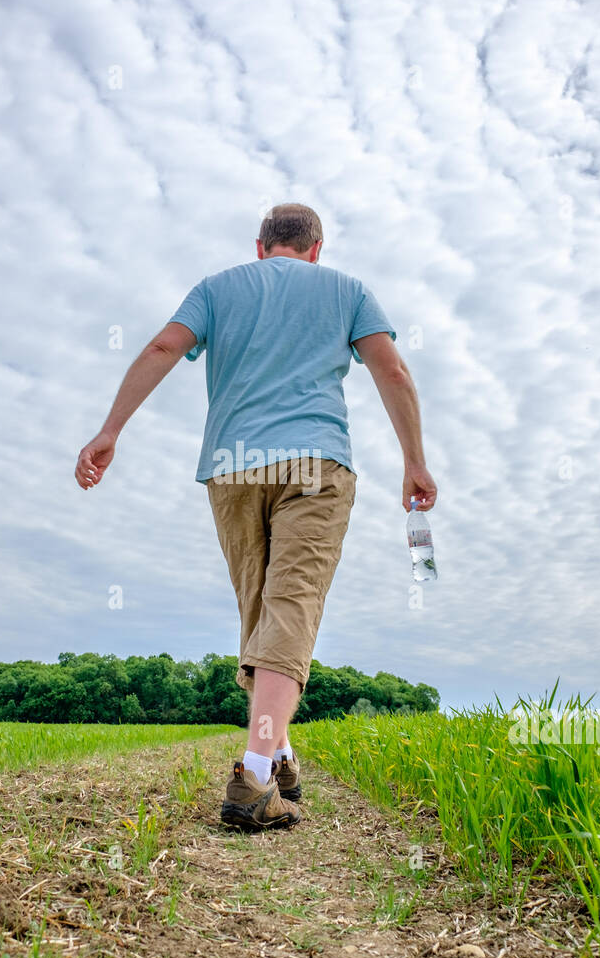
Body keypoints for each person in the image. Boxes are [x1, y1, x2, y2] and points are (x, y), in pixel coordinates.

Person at [75, 204, 437, 830]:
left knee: (260, 611)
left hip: (232, 467)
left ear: (262, 245)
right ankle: (255, 776)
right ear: (316, 248)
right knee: (290, 605)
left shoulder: (218, 287)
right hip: (315, 465)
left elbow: (164, 346)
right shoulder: (347, 290)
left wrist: (110, 431)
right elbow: (392, 370)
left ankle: (281, 751)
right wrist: (415, 461)